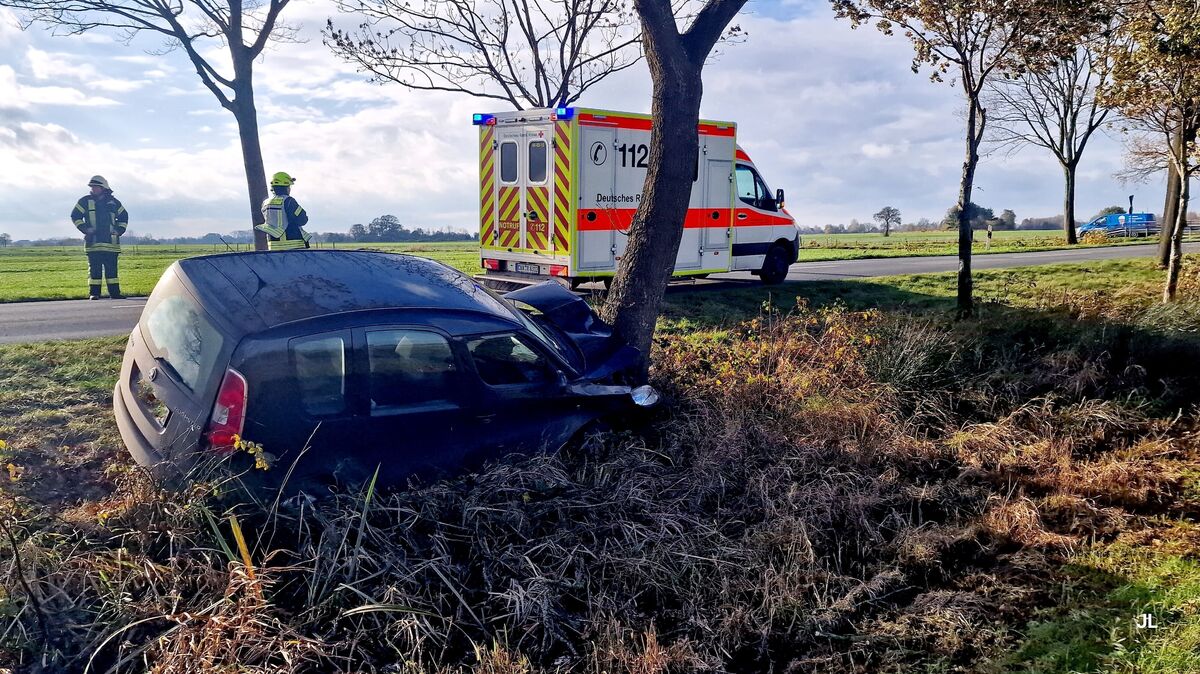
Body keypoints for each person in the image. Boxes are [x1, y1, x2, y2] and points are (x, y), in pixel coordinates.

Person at [71, 175, 128, 299]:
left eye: (96, 187)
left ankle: (115, 294)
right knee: (95, 271)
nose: (93, 189)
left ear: (103, 188)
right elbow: (75, 216)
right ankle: (94, 293)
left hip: (111, 245)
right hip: (94, 244)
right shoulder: (85, 201)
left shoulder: (114, 202)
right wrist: (85, 229)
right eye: (92, 187)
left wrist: (118, 231)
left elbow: (124, 216)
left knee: (112, 271)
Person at [255, 172, 311, 250]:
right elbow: (302, 219)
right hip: (293, 246)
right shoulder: (289, 201)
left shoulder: (265, 203)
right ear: (286, 187)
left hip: (273, 246)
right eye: (289, 186)